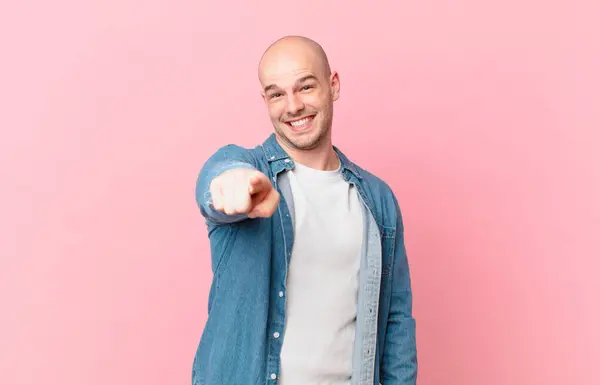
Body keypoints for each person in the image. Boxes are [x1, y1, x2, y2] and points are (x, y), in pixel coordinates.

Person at [191, 35, 417, 385]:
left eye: (305, 87)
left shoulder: (377, 199)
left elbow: (396, 321)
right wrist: (229, 183)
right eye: (277, 94)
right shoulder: (250, 172)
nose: (293, 106)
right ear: (265, 100)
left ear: (333, 85)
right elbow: (217, 180)